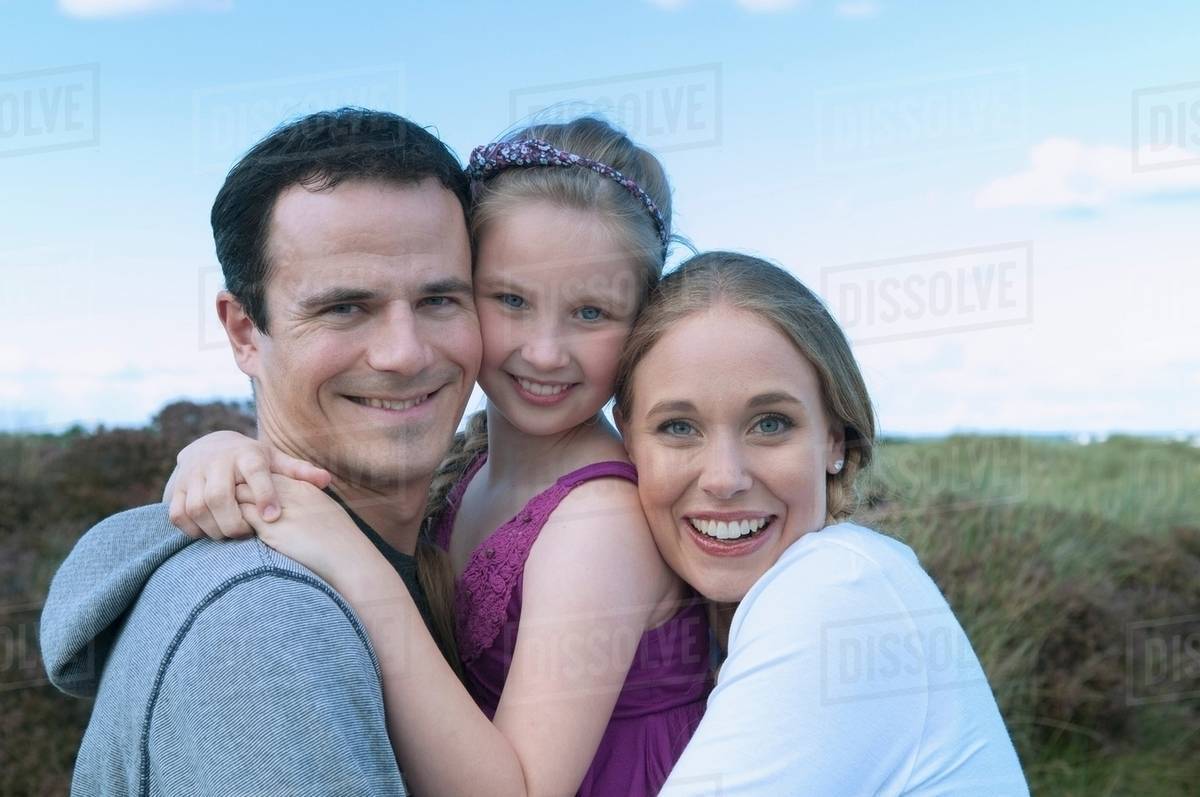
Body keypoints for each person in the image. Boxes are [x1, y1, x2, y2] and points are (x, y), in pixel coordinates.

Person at [157, 118, 710, 796]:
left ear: (643, 321)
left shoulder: (600, 519)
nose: (543, 350)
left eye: (592, 312)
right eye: (509, 299)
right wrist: (220, 448)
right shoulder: (470, 466)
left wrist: (356, 566)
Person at [39, 107, 481, 795]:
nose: (406, 352)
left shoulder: (438, 546)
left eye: (440, 299)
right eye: (345, 307)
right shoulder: (266, 624)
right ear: (244, 330)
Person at [612, 251, 1031, 795]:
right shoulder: (709, 624)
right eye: (678, 427)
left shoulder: (839, 588)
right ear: (626, 439)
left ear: (834, 438)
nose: (724, 478)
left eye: (770, 423)